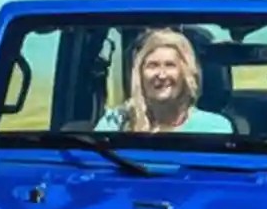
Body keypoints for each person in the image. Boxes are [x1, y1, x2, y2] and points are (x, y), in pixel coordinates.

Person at [93, 28, 234, 133]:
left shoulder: (213, 128)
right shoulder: (116, 121)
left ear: (186, 74)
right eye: (152, 65)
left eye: (170, 65)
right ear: (140, 74)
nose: (161, 75)